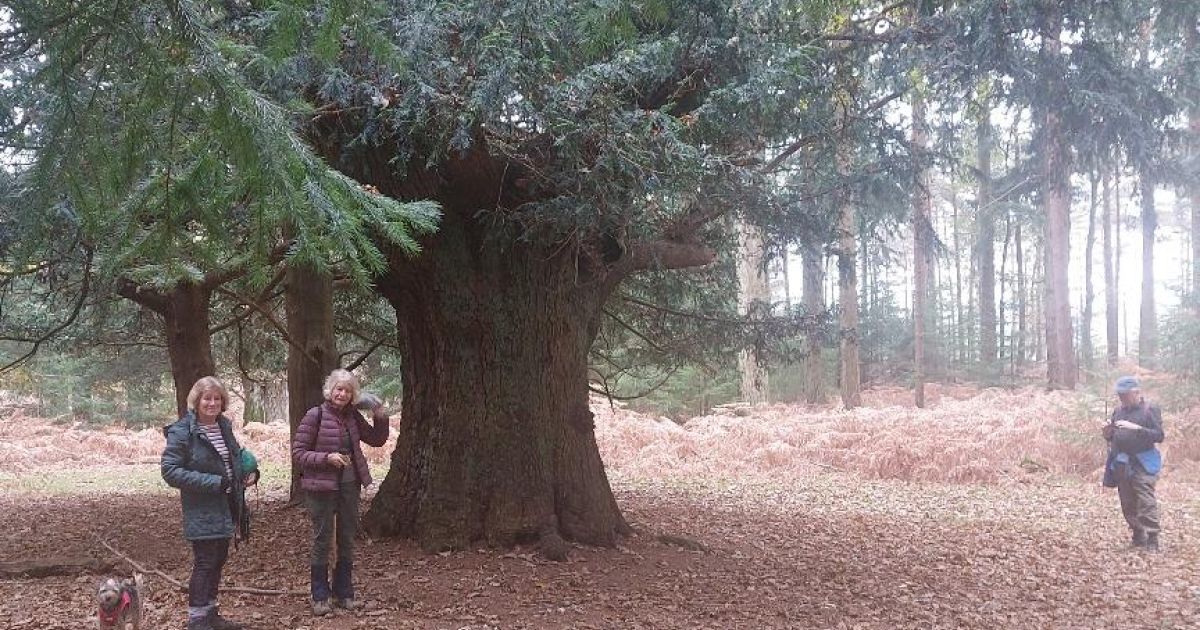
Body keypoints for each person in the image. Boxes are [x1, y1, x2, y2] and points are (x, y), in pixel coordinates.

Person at [161, 376, 259, 630]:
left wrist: (249, 473)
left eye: (217, 398)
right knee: (205, 562)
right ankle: (197, 620)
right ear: (196, 401)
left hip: (228, 504)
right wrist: (214, 482)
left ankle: (211, 614)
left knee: (219, 559)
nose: (212, 403)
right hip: (201, 507)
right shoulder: (183, 431)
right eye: (207, 398)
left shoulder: (223, 426)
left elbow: (233, 459)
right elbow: (170, 471)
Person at [292, 369, 390, 616]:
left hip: (349, 484)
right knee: (322, 538)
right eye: (339, 389)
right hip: (320, 486)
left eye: (347, 391)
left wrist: (380, 416)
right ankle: (320, 596)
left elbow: (376, 440)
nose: (342, 394)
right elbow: (299, 453)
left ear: (352, 395)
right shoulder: (315, 415)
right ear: (330, 390)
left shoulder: (353, 417)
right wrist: (327, 457)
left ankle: (344, 593)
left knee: (346, 537)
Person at [1102, 375, 1164, 551]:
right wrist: (1107, 432)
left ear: (1136, 392)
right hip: (1121, 462)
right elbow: (1111, 437)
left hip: (1143, 462)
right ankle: (1138, 535)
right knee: (1127, 501)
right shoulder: (1118, 411)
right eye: (1119, 395)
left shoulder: (1150, 409)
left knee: (1145, 499)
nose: (1121, 398)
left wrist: (1137, 428)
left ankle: (1152, 538)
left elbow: (1159, 435)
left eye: (1125, 394)